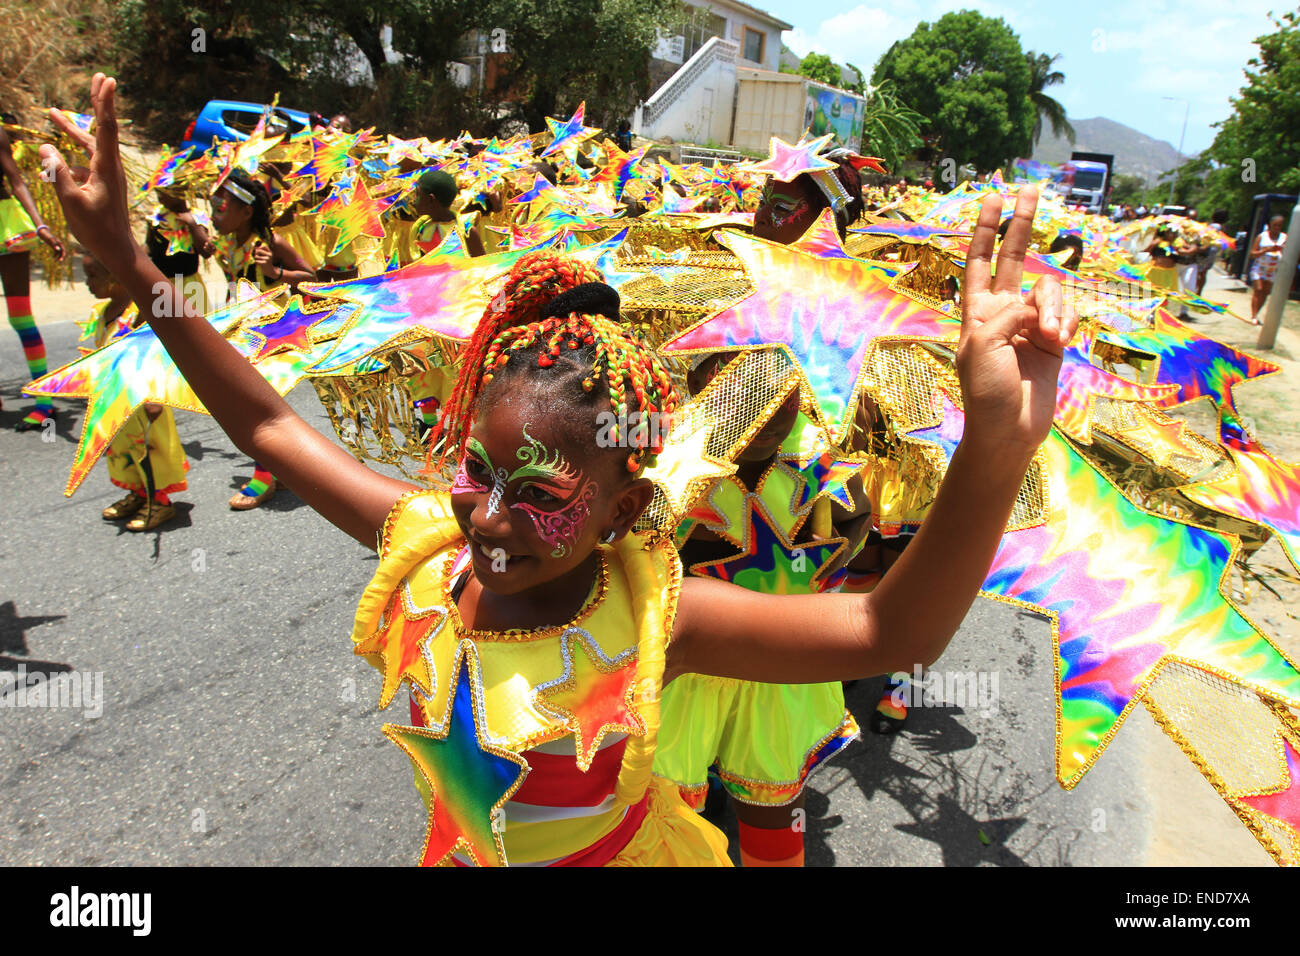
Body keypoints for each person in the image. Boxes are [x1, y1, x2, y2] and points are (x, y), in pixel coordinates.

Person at [44, 74, 1074, 866]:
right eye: (478, 471)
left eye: (538, 493)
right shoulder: (429, 544)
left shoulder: (655, 614)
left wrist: (993, 443)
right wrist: (138, 272)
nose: (488, 518)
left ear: (627, 505)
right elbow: (269, 425)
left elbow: (886, 630)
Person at [656, 352, 873, 866]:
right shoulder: (671, 461)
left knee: (772, 803)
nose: (773, 407)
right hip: (688, 672)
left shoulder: (823, 462)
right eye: (747, 386)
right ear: (701, 382)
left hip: (778, 665)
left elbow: (849, 539)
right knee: (668, 811)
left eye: (786, 386)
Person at [209, 166, 317, 510]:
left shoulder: (272, 243)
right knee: (250, 403)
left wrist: (276, 273)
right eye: (213, 206)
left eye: (221, 207)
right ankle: (278, 469)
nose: (214, 214)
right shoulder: (227, 243)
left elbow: (312, 276)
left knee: (254, 406)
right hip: (240, 332)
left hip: (270, 333)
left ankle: (263, 478)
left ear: (246, 212)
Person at [82, 252, 188, 530]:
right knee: (123, 451)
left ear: (116, 277)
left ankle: (159, 502)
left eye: (92, 276)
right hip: (114, 399)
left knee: (149, 450)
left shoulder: (138, 313)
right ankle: (139, 494)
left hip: (143, 397)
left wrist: (155, 396)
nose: (86, 283)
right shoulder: (100, 313)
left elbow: (158, 352)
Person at [1, 119, 66, 430]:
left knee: (20, 318)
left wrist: (41, 226)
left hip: (6, 228)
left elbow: (16, 181)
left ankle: (44, 401)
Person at [1249, 214, 1288, 325]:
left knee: (1265, 292)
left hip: (1273, 269)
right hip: (1259, 267)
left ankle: (1256, 313)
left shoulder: (1284, 237)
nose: (1277, 228)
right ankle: (1253, 315)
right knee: (1258, 289)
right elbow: (1252, 253)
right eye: (1275, 225)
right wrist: (1266, 250)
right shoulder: (1262, 236)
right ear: (1270, 225)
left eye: (1279, 226)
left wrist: (1282, 249)